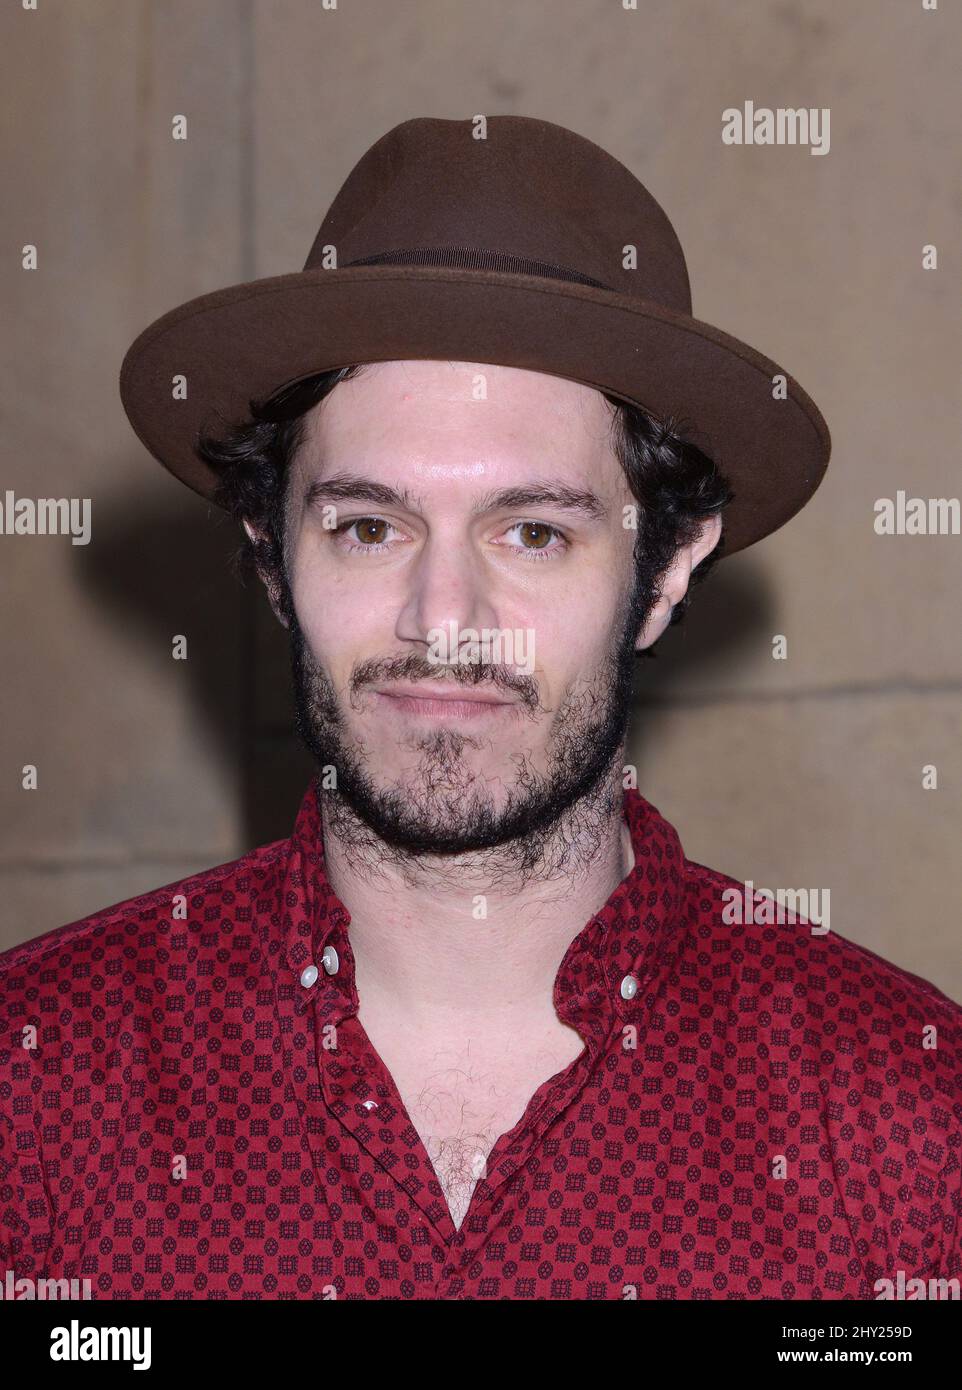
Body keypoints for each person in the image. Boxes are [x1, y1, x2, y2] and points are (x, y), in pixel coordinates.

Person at [2, 116, 959, 1301]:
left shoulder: (906, 1130)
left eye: (533, 532)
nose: (441, 614)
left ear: (663, 571)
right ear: (267, 552)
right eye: (367, 525)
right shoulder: (32, 1096)